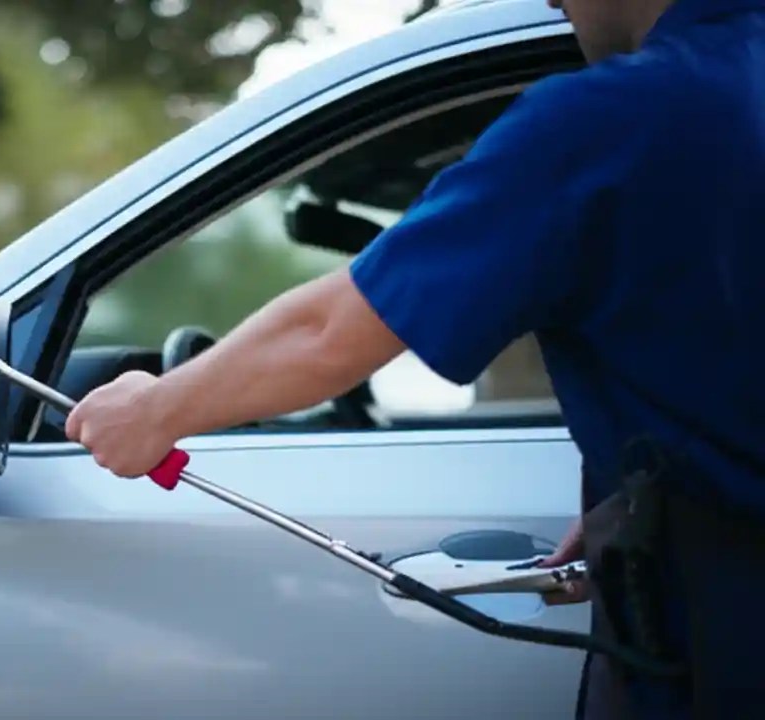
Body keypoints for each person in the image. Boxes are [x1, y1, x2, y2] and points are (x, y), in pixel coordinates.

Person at [65, 0, 765, 717]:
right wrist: (665, 474)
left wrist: (155, 409)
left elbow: (331, 331)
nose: (553, 0)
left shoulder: (612, 118)